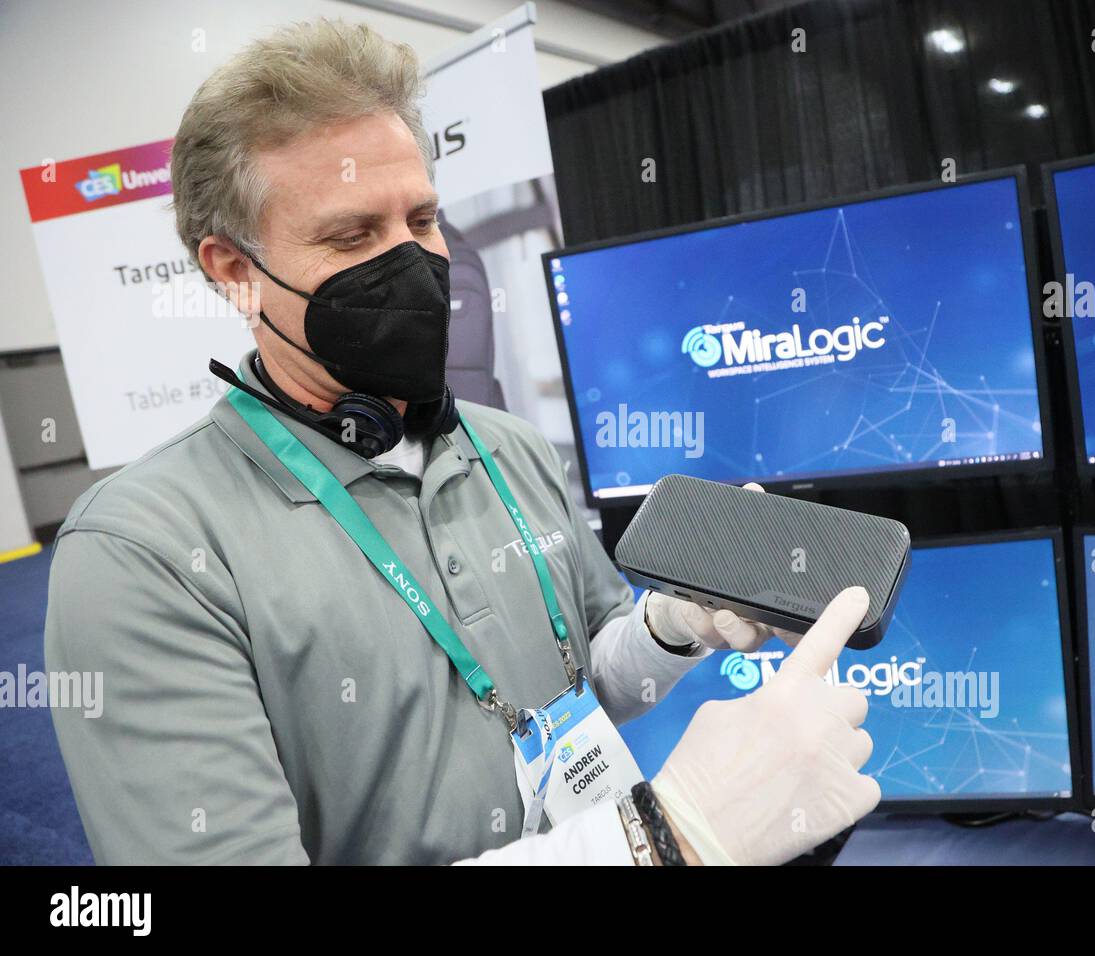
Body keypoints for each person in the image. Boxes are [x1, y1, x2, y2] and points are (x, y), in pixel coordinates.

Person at [44, 18, 880, 865]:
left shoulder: (506, 446)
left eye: (422, 218)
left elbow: (579, 684)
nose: (413, 264)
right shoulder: (139, 552)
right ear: (233, 270)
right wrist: (666, 839)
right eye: (352, 235)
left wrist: (670, 625)